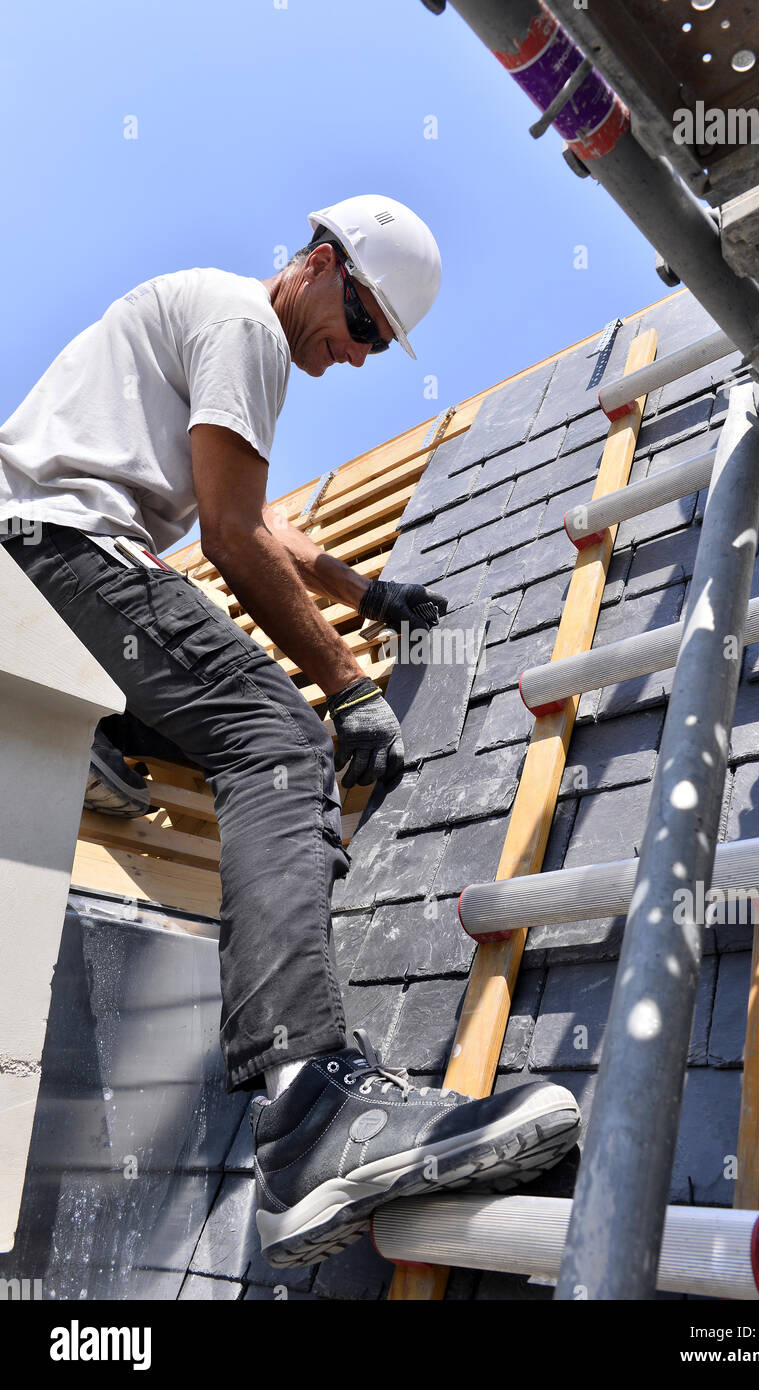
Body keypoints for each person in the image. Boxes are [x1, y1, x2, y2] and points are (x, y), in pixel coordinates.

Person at [0, 195, 580, 1266]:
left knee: (230, 728)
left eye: (375, 345)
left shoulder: (218, 331)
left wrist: (369, 586)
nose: (355, 357)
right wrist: (346, 685)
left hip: (43, 578)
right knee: (277, 738)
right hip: (70, 556)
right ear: (318, 266)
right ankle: (311, 1096)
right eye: (360, 325)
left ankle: (98, 726)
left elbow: (261, 520)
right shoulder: (243, 323)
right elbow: (226, 531)